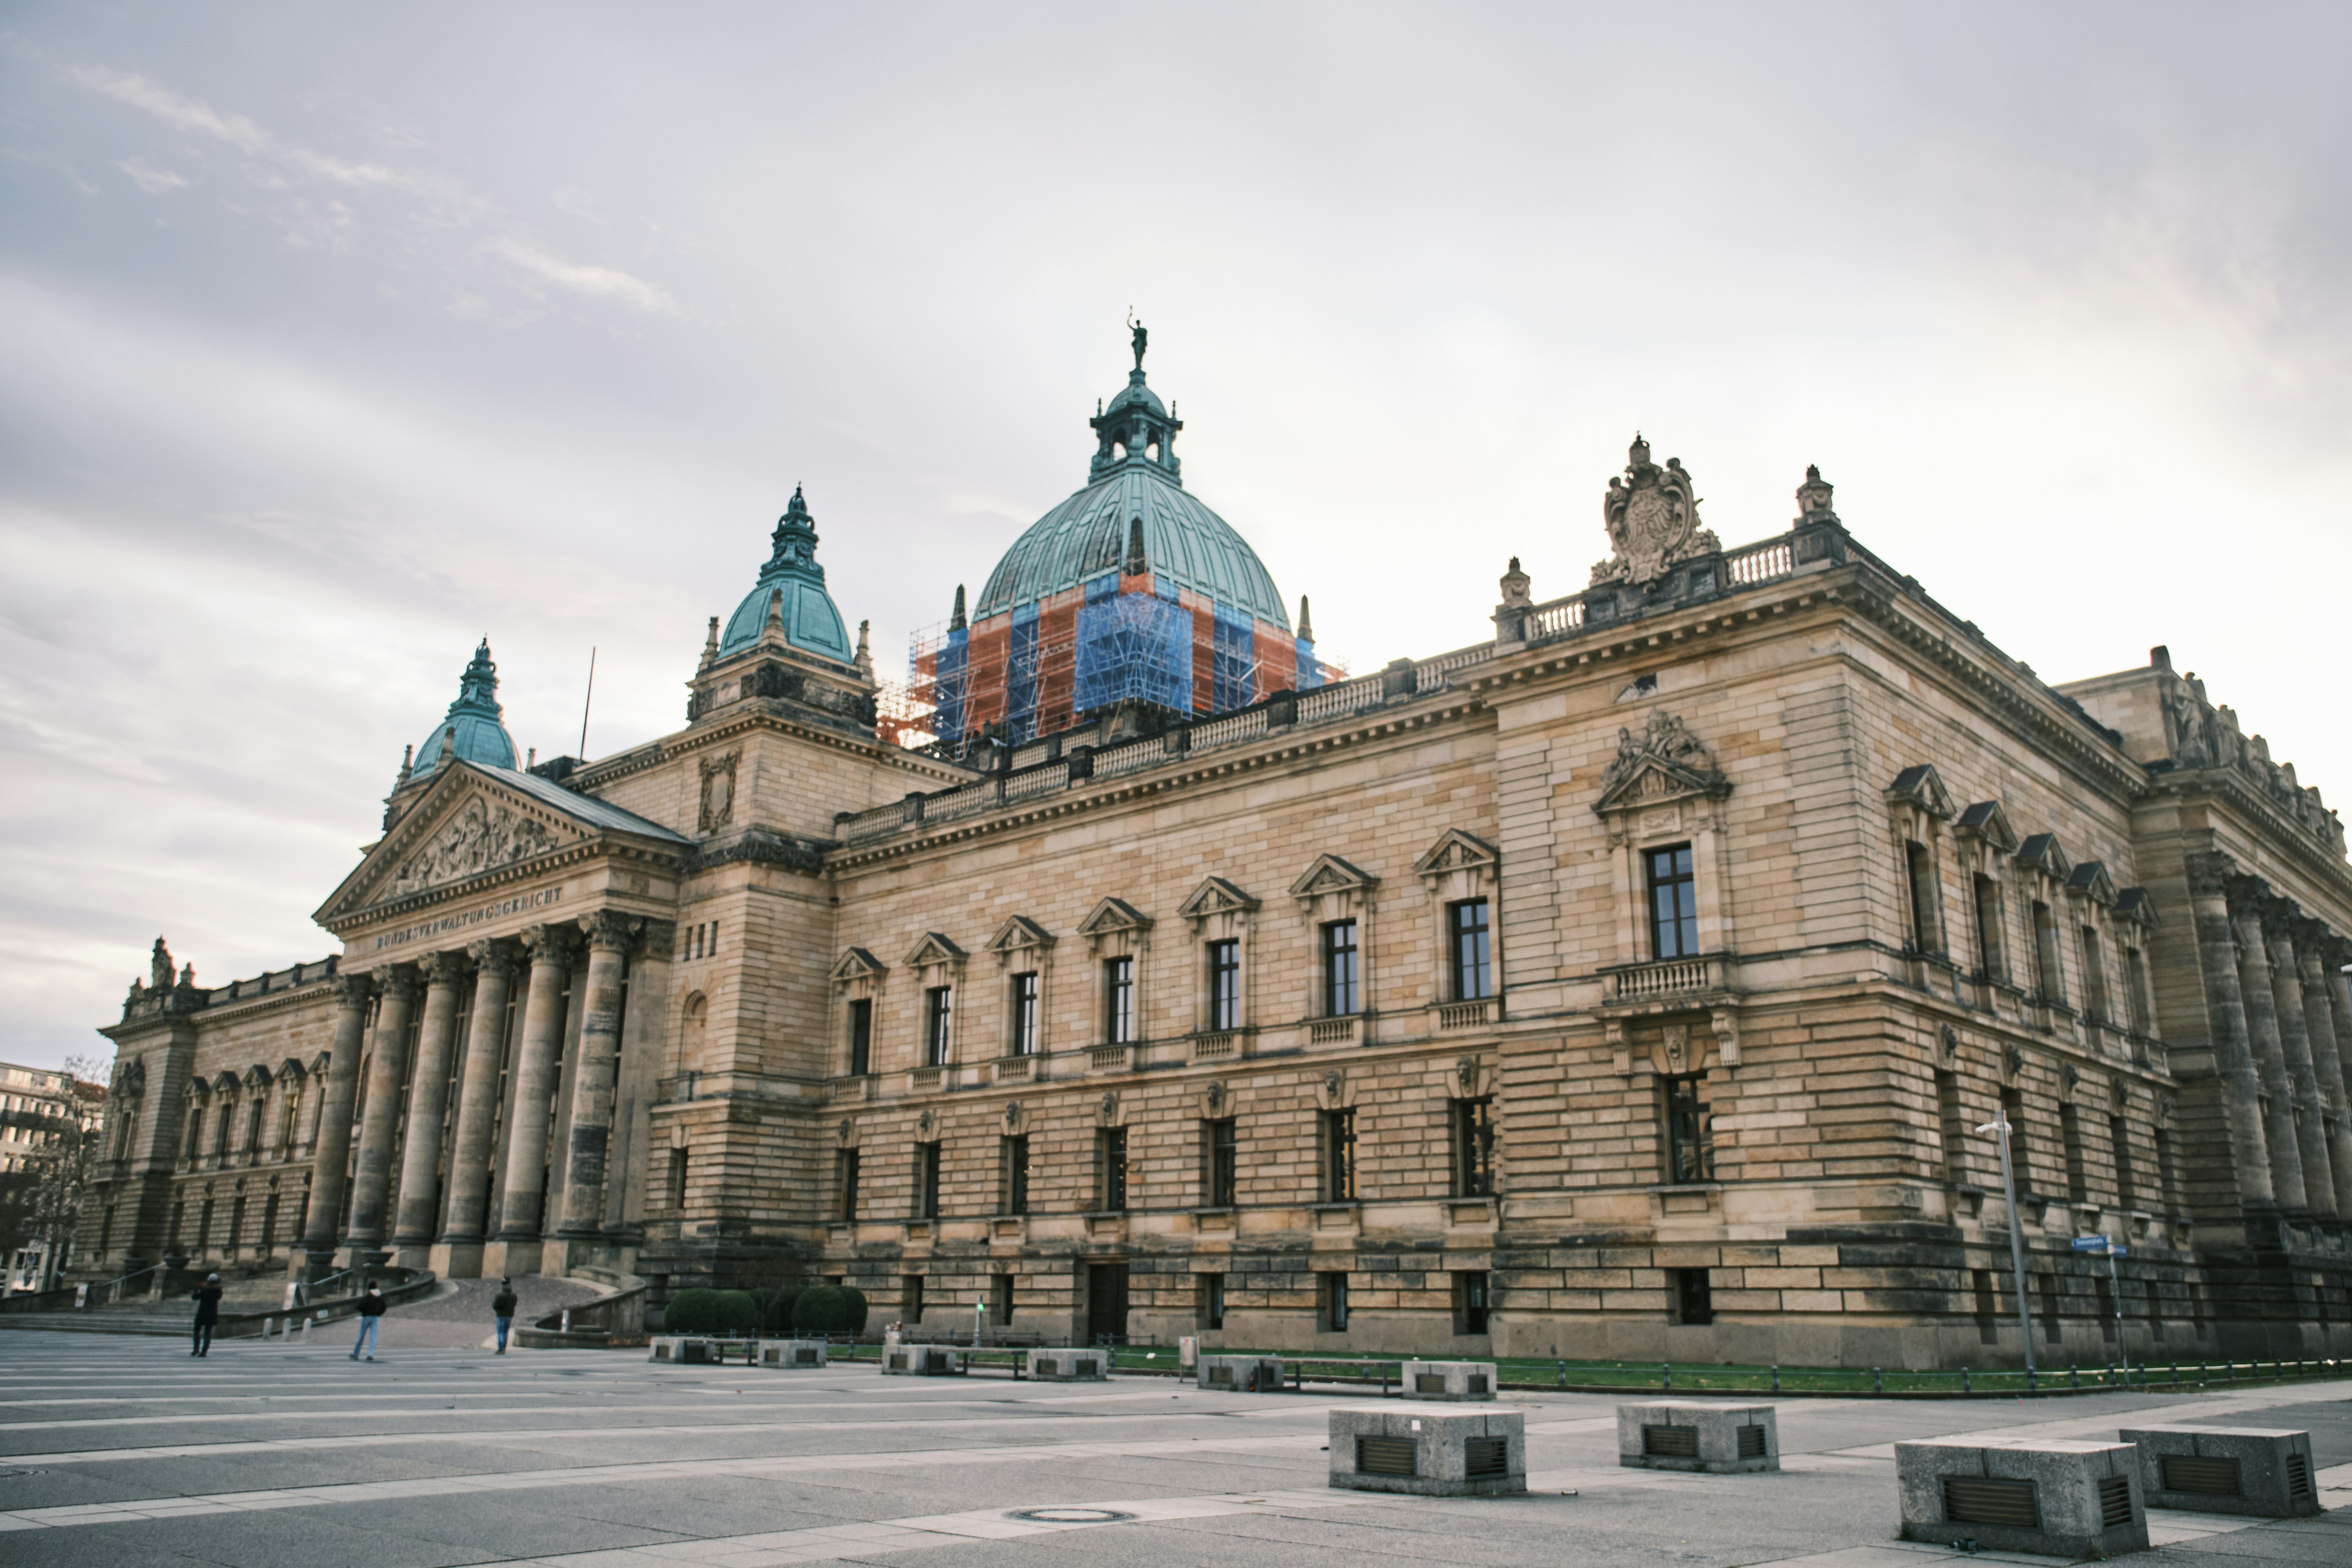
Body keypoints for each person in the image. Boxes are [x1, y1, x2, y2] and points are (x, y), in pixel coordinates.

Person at [190, 1272, 223, 1357]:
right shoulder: (218, 1290)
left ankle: (196, 1348)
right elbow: (219, 1297)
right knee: (208, 1332)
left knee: (197, 1330)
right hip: (212, 1313)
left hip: (202, 1312)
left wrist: (198, 1289)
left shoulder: (204, 1289)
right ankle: (204, 1351)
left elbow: (195, 1297)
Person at [351, 1284, 386, 1361]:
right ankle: (370, 1354)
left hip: (367, 1317)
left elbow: (361, 1307)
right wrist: (378, 1314)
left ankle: (356, 1354)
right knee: (373, 1336)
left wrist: (364, 1312)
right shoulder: (380, 1297)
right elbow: (384, 1307)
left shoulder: (368, 1297)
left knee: (362, 1335)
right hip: (376, 1317)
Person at [492, 1278, 518, 1354]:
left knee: (501, 1331)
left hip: (501, 1315)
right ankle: (504, 1347)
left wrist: (498, 1310)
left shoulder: (500, 1295)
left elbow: (495, 1305)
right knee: (506, 1332)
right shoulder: (514, 1295)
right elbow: (514, 1304)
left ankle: (501, 1348)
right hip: (510, 1315)